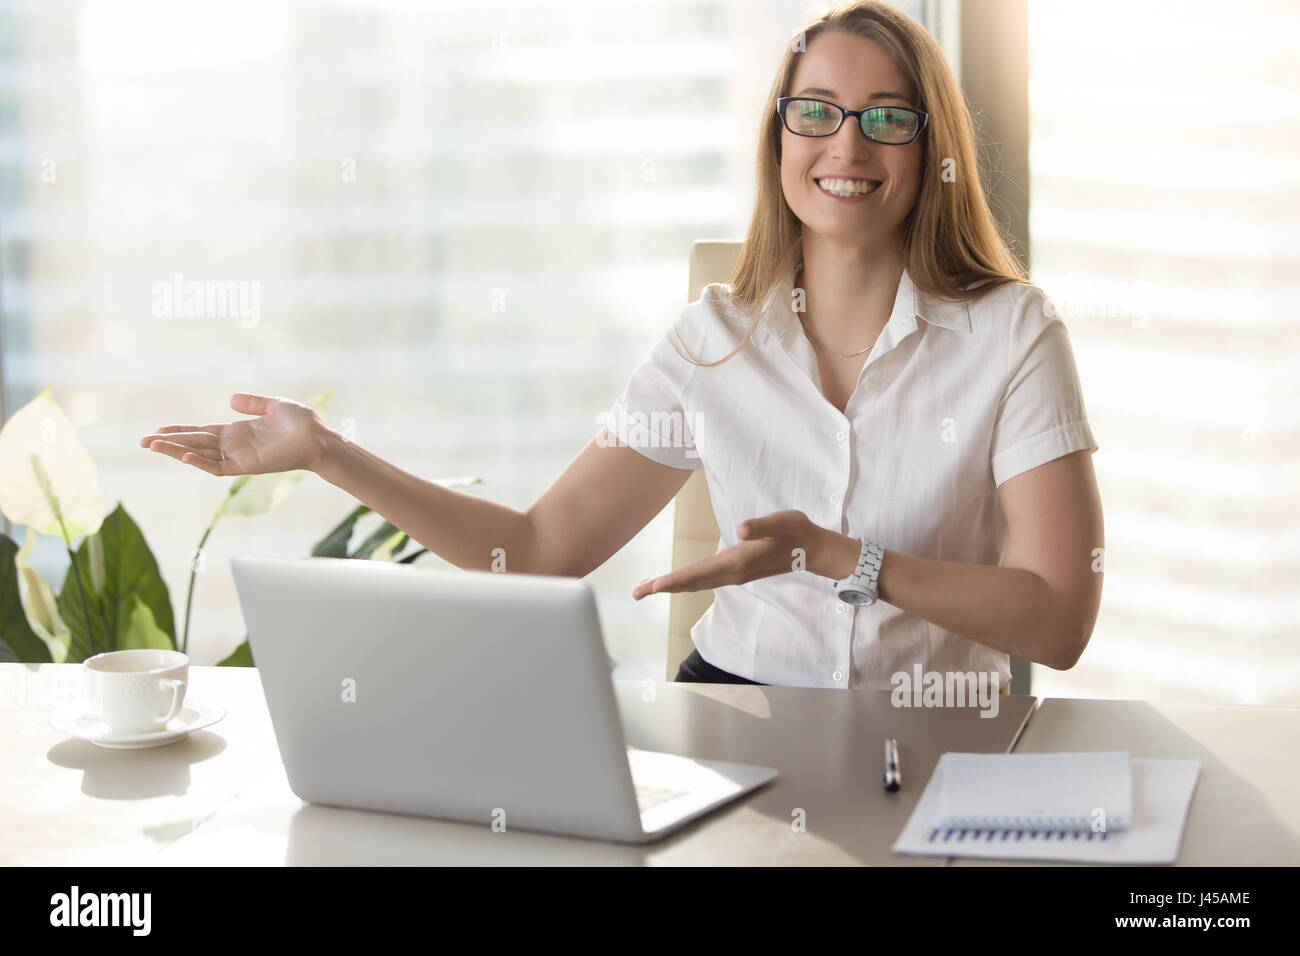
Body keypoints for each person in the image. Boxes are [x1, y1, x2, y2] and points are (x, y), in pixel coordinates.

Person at [140, 0, 1102, 691]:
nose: (845, 146)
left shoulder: (1014, 334)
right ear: (777, 141)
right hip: (737, 719)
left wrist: (839, 556)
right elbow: (537, 549)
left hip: (935, 741)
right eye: (814, 113)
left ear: (931, 154)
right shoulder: (711, 344)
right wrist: (325, 452)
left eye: (887, 119)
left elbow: (1060, 621)